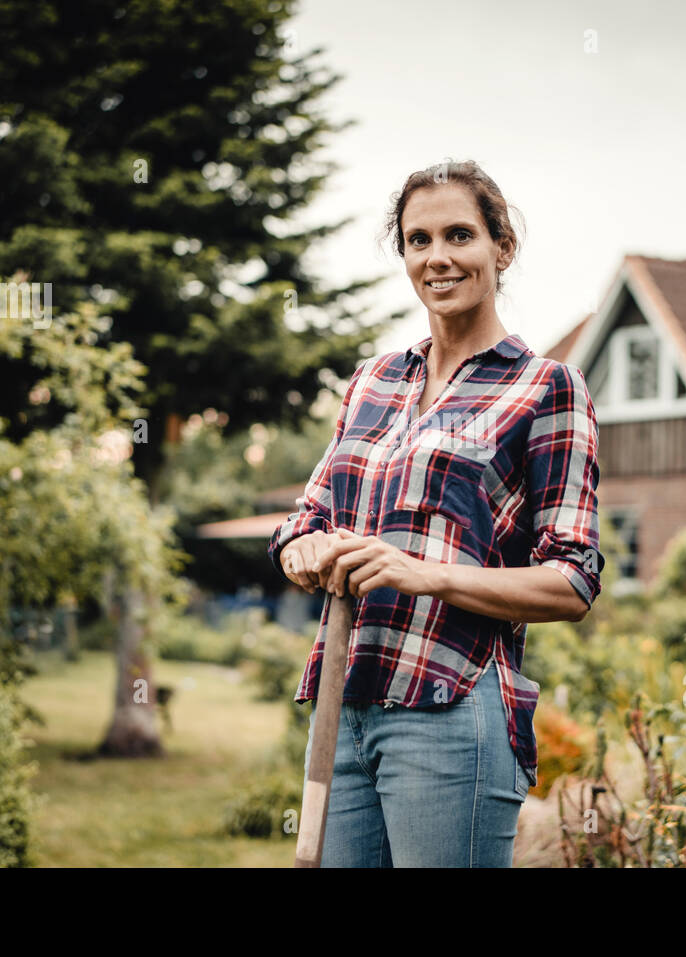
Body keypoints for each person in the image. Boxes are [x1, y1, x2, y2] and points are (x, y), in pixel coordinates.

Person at [267, 159, 605, 867]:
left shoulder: (545, 388)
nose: (438, 257)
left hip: (451, 709)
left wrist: (422, 573)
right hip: (345, 699)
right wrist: (301, 549)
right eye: (418, 240)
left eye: (460, 234)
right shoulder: (374, 381)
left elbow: (571, 582)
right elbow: (306, 518)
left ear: (500, 248)